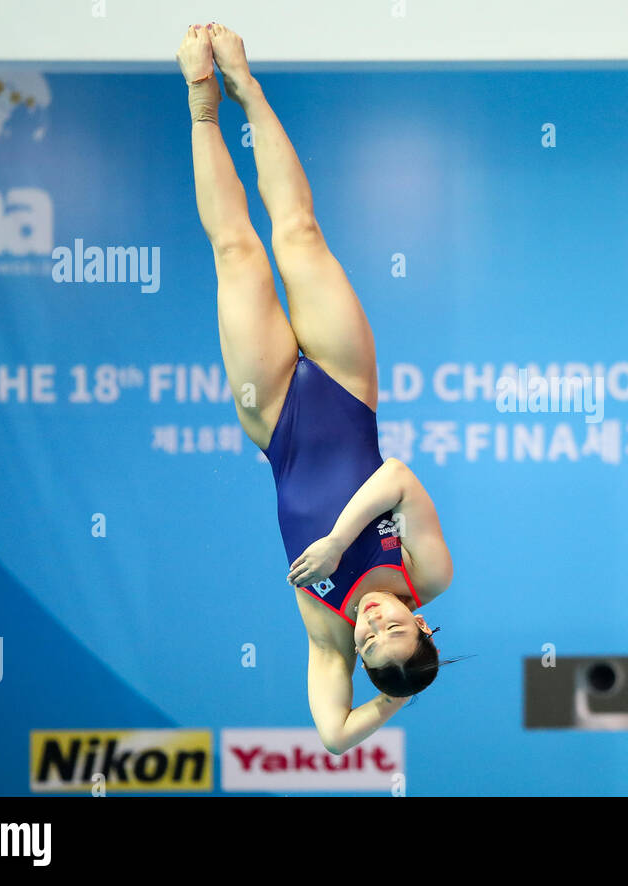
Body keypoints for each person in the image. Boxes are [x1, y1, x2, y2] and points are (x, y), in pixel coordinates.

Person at [177, 23, 454, 754]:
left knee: (236, 252)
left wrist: (398, 695)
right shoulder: (429, 575)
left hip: (275, 425)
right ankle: (246, 84)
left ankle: (203, 102)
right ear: (422, 621)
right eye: (395, 627)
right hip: (346, 390)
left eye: (371, 645)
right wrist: (336, 543)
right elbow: (396, 477)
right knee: (297, 231)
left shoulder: (327, 633)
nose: (372, 625)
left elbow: (332, 736)